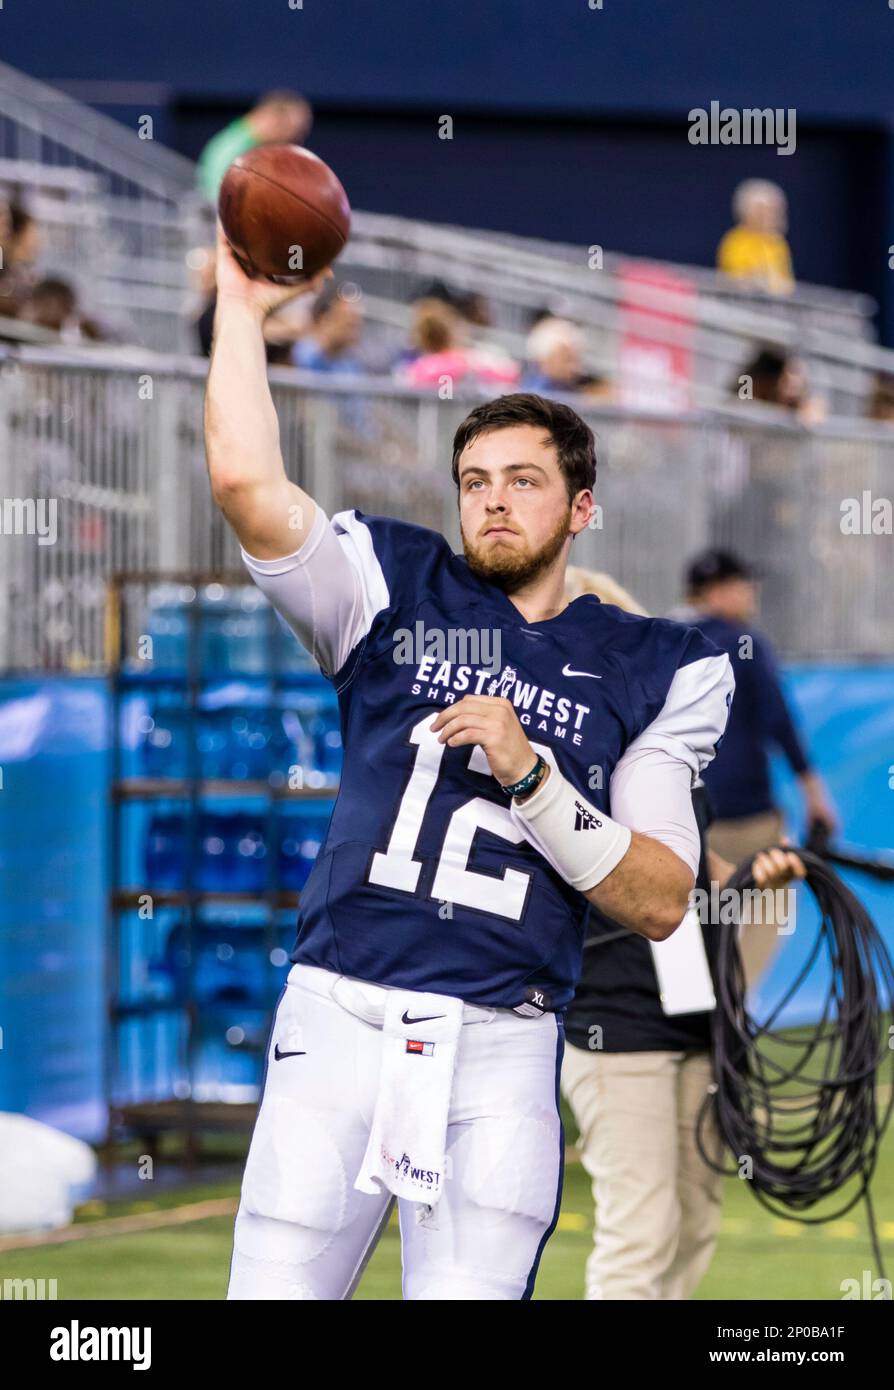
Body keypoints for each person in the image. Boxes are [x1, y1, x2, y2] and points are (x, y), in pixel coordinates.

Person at [205, 227, 734, 1300]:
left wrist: (533, 775)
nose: (493, 499)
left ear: (580, 508)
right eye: (476, 479)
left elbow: (660, 897)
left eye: (525, 481)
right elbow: (245, 483)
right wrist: (241, 306)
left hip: (501, 1040)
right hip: (337, 1013)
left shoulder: (658, 665)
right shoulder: (389, 584)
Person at [561, 564, 805, 1301]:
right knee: (640, 1231)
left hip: (697, 1017)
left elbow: (698, 873)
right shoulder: (564, 757)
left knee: (694, 1218)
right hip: (614, 1019)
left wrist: (754, 877)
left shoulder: (669, 756)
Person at [672, 548, 836, 985]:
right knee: (770, 903)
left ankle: (691, 1008)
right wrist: (815, 795)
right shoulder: (744, 643)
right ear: (719, 591)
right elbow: (778, 722)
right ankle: (736, 1003)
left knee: (688, 925)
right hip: (746, 817)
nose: (752, 593)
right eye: (745, 584)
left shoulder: (663, 639)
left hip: (681, 816)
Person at [197, 90, 313, 202]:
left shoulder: (238, 140)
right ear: (275, 119)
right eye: (295, 132)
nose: (296, 141)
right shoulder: (235, 150)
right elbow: (219, 201)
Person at [716, 179, 794, 295]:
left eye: (775, 211)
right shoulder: (736, 241)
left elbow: (787, 283)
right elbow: (735, 281)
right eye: (763, 210)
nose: (770, 216)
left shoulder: (777, 243)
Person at [291, 282, 363, 374]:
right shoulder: (297, 358)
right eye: (349, 324)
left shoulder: (349, 365)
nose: (353, 333)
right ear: (324, 319)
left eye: (356, 325)